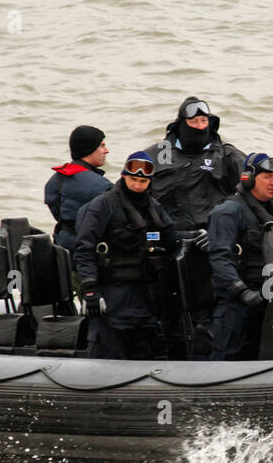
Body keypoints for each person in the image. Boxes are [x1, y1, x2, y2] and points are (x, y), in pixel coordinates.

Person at [73, 152, 205, 360]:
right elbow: (84, 249)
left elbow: (171, 238)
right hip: (113, 297)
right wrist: (90, 290)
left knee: (149, 350)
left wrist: (196, 236)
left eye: (142, 181)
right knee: (109, 352)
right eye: (133, 179)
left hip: (146, 298)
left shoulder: (154, 208)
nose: (137, 185)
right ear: (124, 176)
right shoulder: (103, 205)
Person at [147, 97, 248, 353]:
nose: (200, 126)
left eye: (204, 121)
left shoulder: (227, 154)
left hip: (210, 244)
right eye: (194, 121)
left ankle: (212, 355)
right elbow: (133, 197)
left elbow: (254, 191)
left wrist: (225, 234)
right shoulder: (155, 155)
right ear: (181, 124)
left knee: (210, 311)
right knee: (165, 312)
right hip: (167, 244)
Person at [207, 153, 273, 361]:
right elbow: (220, 258)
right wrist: (243, 293)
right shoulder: (228, 212)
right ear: (248, 178)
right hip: (239, 302)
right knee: (229, 358)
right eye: (267, 177)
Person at [44, 126, 112, 252]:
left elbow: (56, 210)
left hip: (61, 245)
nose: (106, 150)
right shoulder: (102, 186)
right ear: (89, 148)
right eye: (101, 146)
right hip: (88, 250)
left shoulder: (54, 180)